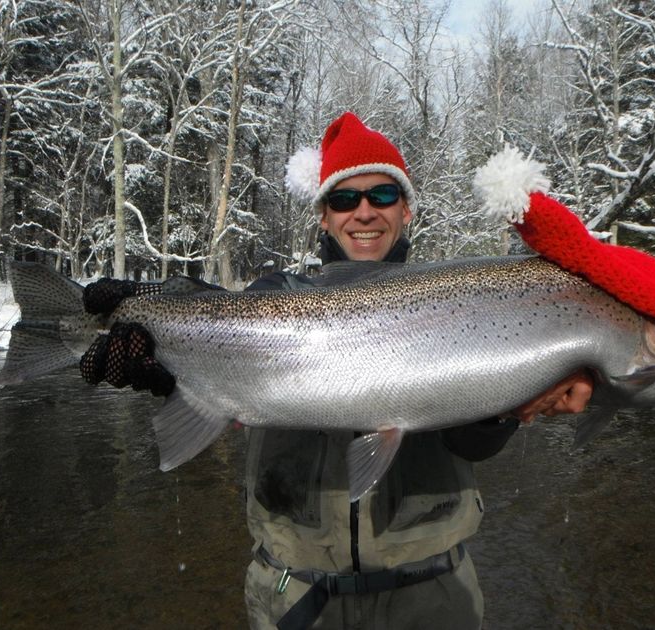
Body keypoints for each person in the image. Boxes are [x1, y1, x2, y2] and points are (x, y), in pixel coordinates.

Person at [80, 112, 593, 629]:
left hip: (432, 594)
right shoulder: (272, 298)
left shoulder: (462, 303)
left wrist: (513, 407)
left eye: (382, 196)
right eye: (345, 199)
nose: (364, 213)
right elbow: (219, 341)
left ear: (408, 210)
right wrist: (164, 342)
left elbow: (473, 445)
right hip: (296, 596)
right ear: (323, 216)